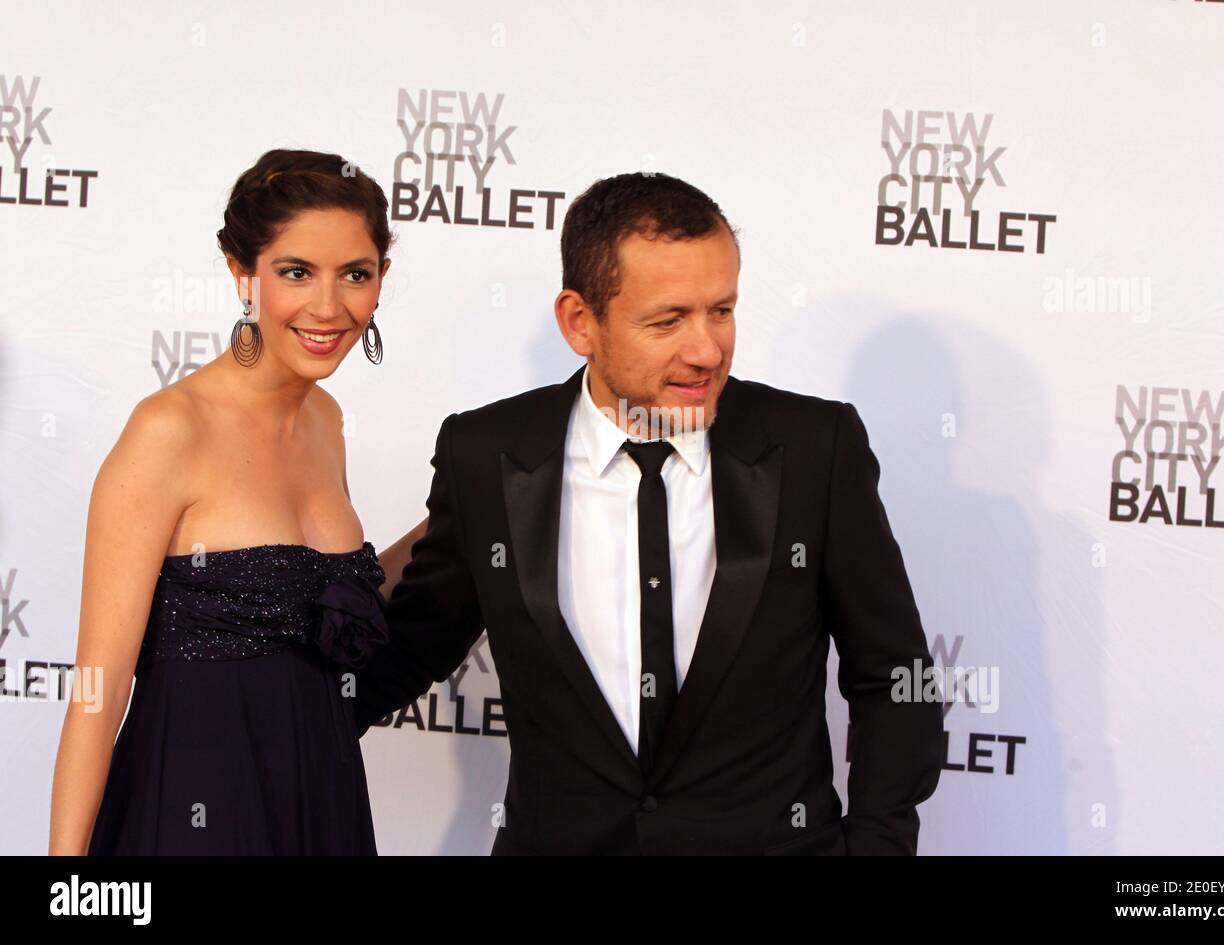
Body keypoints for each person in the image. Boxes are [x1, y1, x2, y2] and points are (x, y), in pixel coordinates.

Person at [355, 171, 945, 855]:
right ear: (580, 321)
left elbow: (893, 677)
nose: (707, 349)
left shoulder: (815, 448)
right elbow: (411, 647)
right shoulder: (487, 455)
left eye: (721, 310)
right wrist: (252, 724)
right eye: (669, 320)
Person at [49, 149, 397, 855]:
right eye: (296, 272)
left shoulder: (326, 423)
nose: (329, 307)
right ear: (244, 274)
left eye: (354, 274)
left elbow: (318, 602)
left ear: (381, 278)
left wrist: (465, 514)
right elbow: (98, 685)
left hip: (320, 792)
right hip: (196, 802)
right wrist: (65, 881)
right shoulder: (171, 430)